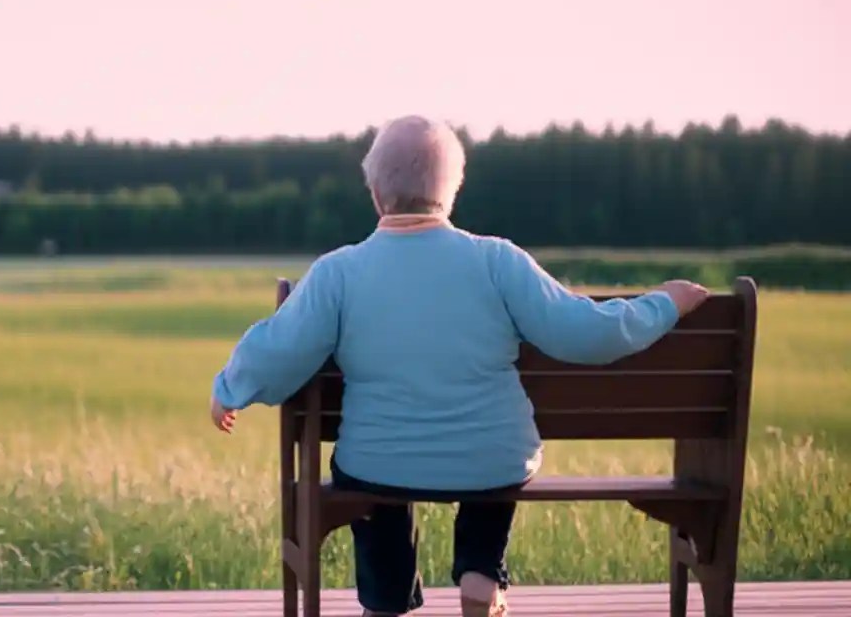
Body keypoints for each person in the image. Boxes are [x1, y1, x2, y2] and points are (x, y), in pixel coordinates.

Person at [208, 115, 710, 617]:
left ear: (377, 196)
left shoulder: (340, 271)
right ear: (450, 194)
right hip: (490, 459)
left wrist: (230, 388)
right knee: (496, 453)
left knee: (372, 477)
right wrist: (663, 303)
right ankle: (480, 572)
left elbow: (282, 347)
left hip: (378, 462)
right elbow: (586, 331)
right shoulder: (497, 261)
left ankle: (385, 599)